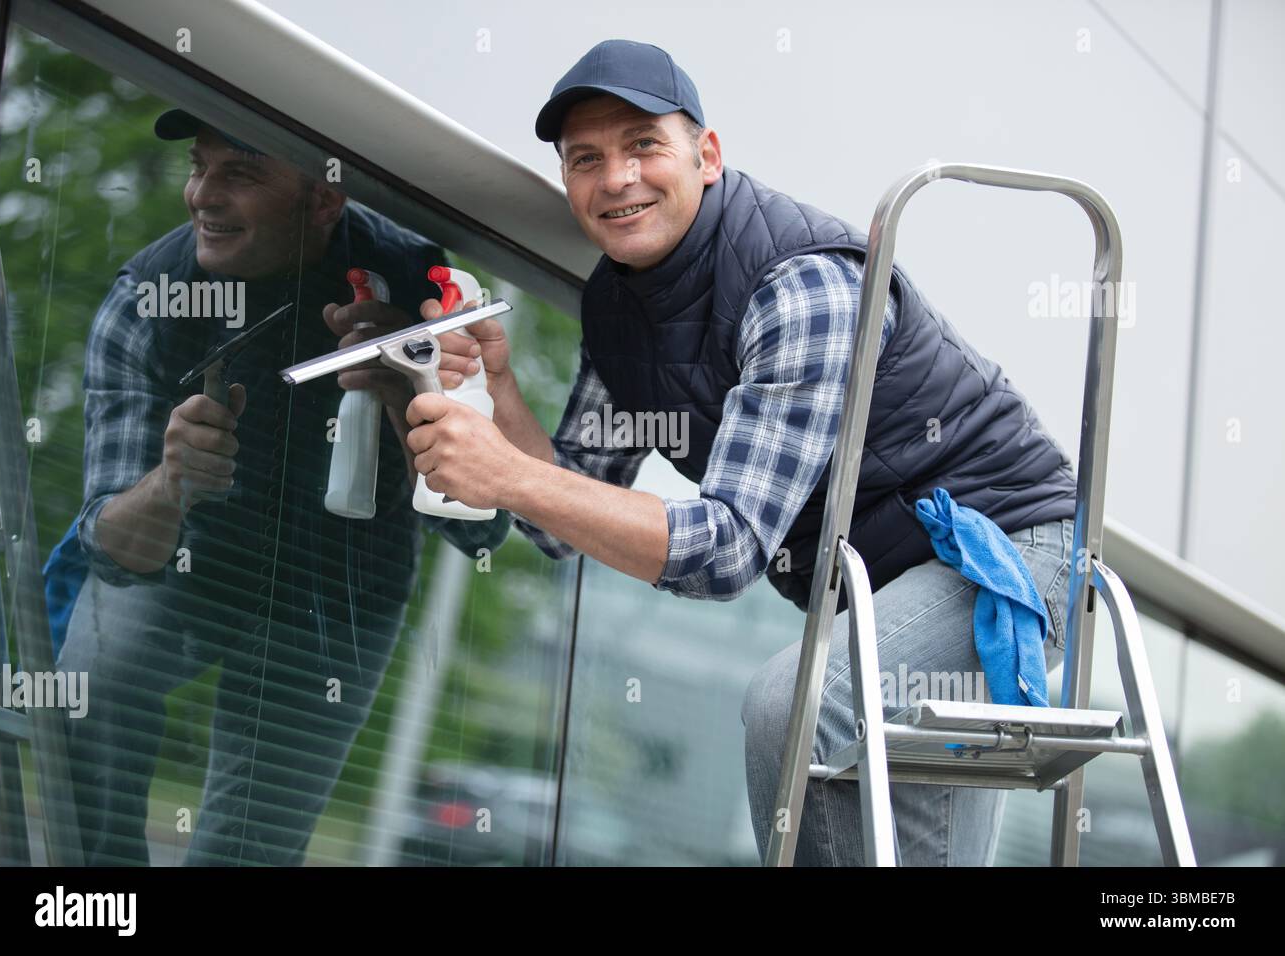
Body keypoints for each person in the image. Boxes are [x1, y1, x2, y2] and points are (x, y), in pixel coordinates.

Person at [393, 39, 1078, 866]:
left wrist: (504, 471)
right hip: (883, 586)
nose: (616, 178)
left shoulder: (800, 286)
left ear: (706, 156)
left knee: (795, 707)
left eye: (644, 145)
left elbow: (724, 553)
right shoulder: (618, 310)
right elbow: (559, 509)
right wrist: (499, 393)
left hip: (1002, 551)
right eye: (586, 159)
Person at [51, 108, 510, 865]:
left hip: (339, 589)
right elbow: (113, 551)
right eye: (200, 167)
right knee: (94, 685)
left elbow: (481, 527)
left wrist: (408, 386)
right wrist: (169, 483)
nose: (203, 194)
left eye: (240, 172)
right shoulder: (148, 298)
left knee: (248, 851)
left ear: (325, 201)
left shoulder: (428, 289)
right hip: (191, 560)